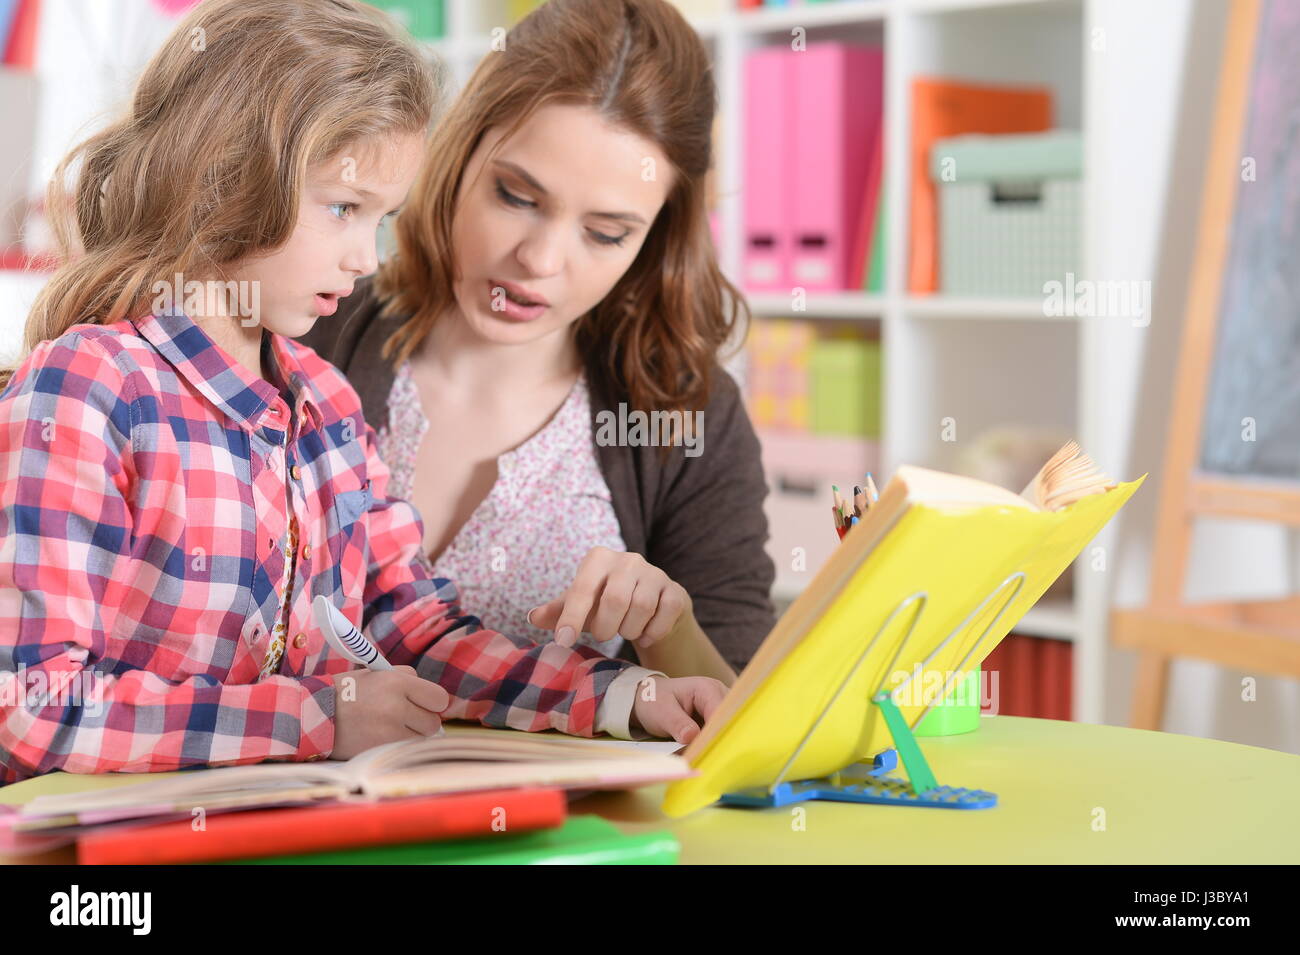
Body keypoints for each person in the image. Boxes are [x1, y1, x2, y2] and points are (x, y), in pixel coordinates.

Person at [0, 0, 724, 785]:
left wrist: (624, 692)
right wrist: (317, 715)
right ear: (225, 178)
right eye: (344, 209)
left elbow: (419, 632)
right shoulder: (89, 389)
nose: (363, 256)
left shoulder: (329, 404)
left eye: (381, 218)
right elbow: (37, 702)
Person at [299, 0, 776, 686]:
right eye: (516, 195)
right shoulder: (313, 328)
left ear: (654, 240)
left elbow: (738, 719)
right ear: (461, 154)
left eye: (606, 233)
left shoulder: (685, 412)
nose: (541, 259)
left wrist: (668, 631)